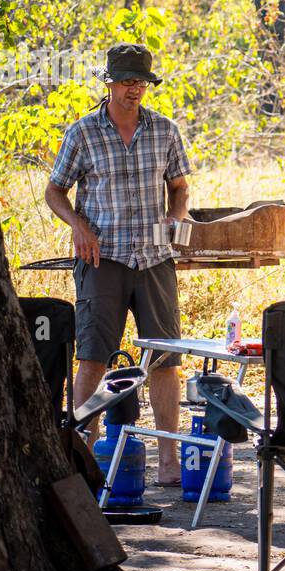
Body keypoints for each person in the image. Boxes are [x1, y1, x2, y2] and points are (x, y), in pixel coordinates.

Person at [45, 42, 191, 485]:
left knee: (165, 359)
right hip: (101, 258)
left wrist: (175, 217)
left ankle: (168, 462)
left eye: (143, 82)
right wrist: (77, 225)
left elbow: (180, 187)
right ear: (108, 83)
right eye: (128, 82)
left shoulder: (164, 131)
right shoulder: (83, 133)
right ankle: (82, 457)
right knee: (91, 356)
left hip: (154, 260)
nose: (136, 90)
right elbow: (55, 191)